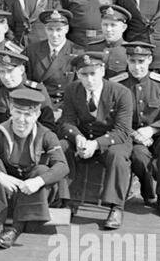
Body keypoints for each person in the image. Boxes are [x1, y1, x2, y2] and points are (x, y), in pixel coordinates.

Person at [0, 85, 69, 248]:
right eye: (18, 112)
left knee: (42, 170)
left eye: (28, 114)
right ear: (10, 110)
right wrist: (0, 176)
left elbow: (62, 166)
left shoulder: (46, 135)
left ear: (37, 114)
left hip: (32, 192)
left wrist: (38, 181)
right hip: (6, 190)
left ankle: (16, 228)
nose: (21, 120)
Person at [57, 51, 133, 230]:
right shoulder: (72, 90)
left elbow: (122, 130)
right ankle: (66, 200)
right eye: (84, 74)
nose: (89, 79)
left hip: (112, 140)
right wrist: (77, 137)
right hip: (83, 137)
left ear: (103, 71)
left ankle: (116, 207)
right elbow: (66, 121)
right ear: (77, 74)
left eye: (93, 74)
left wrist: (96, 144)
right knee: (62, 147)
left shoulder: (121, 93)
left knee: (118, 156)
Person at [108, 42, 160, 219]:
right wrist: (137, 135)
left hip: (156, 136)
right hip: (130, 137)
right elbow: (111, 118)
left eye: (141, 61)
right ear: (127, 60)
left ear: (150, 60)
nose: (137, 66)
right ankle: (147, 187)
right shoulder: (117, 85)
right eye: (132, 61)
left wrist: (152, 130)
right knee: (139, 156)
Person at [26, 8, 81, 126]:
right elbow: (26, 81)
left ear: (66, 29)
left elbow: (79, 89)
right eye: (50, 29)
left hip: (65, 107)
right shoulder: (32, 50)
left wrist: (62, 110)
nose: (54, 34)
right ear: (45, 29)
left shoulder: (78, 52)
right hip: (38, 105)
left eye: (59, 29)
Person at [92, 5, 132, 76]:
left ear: (123, 27)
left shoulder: (129, 51)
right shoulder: (92, 48)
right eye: (105, 25)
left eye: (113, 25)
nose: (108, 29)